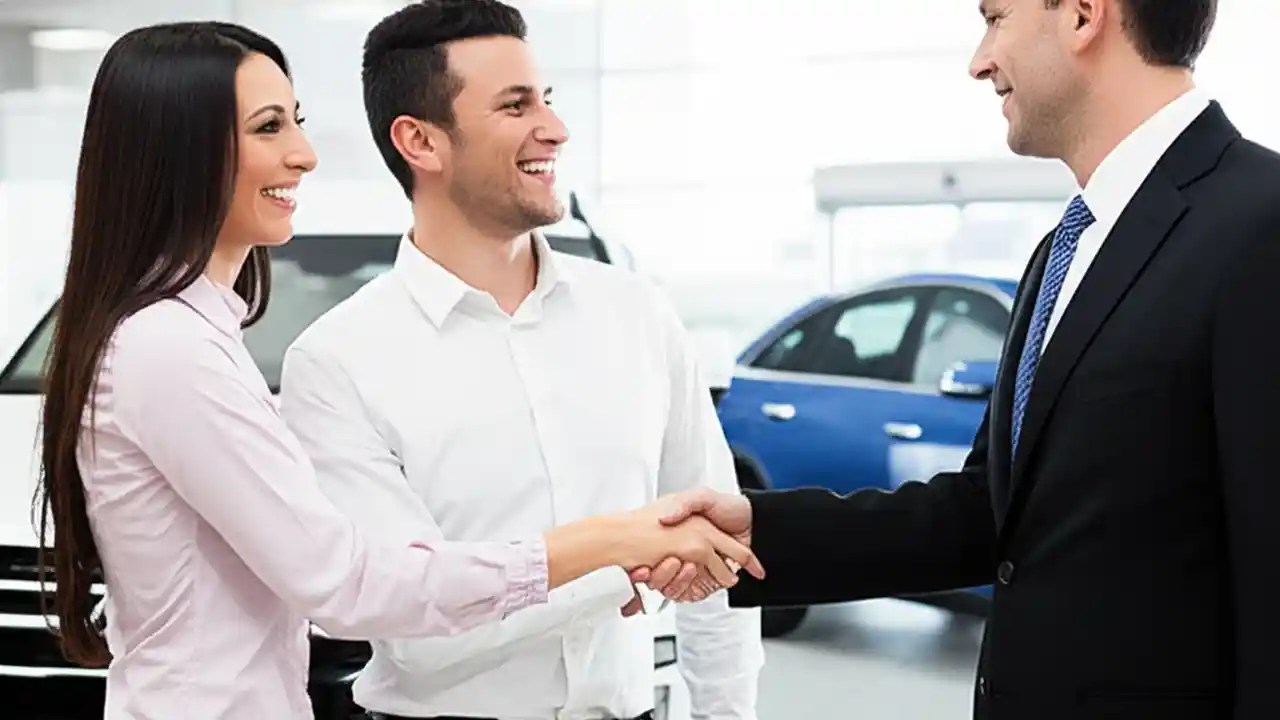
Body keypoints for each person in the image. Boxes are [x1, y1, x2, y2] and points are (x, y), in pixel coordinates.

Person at [33, 21, 761, 720]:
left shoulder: (198, 337)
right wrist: (615, 553)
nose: (305, 154)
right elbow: (351, 585)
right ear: (180, 150)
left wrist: (627, 559)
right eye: (268, 127)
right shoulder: (183, 351)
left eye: (295, 121)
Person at [657, 0, 1280, 718]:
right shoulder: (1066, 249)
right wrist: (757, 534)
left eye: (995, 17)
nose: (979, 62)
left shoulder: (1262, 226)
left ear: (1083, 15)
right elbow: (990, 514)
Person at [278, 2, 764, 719]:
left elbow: (719, 560)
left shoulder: (636, 313)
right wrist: (619, 561)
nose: (555, 128)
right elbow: (413, 627)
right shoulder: (335, 363)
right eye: (516, 106)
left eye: (547, 99)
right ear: (420, 141)